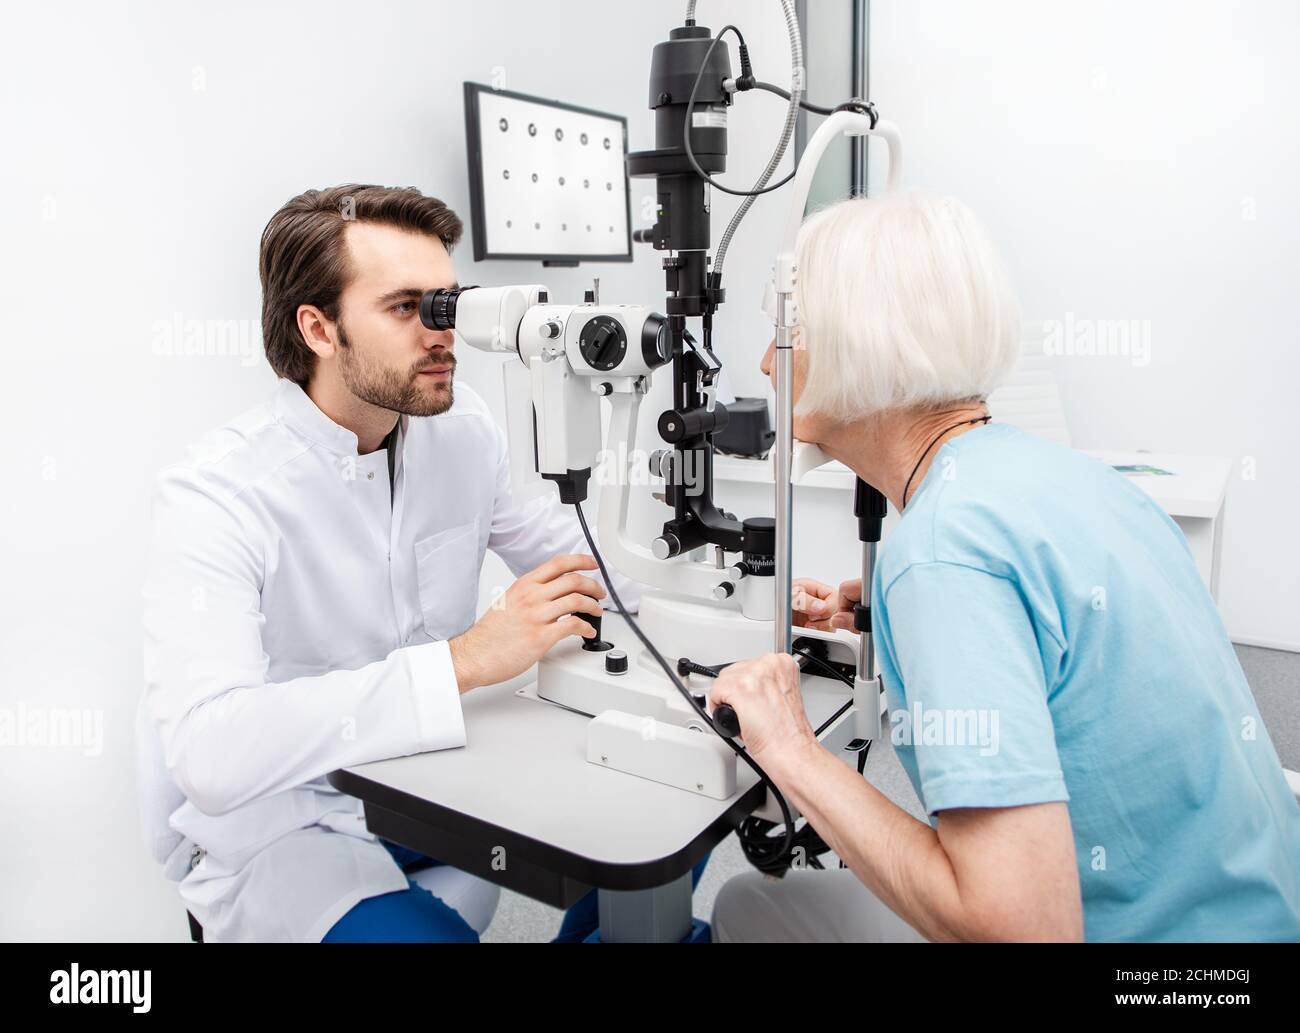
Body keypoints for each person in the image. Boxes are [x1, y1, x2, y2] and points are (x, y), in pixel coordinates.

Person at [708, 191, 1300, 942]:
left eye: (785, 332)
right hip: (1262, 917)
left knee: (748, 907)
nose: (768, 360)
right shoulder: (1072, 478)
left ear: (858, 343)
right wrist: (878, 609)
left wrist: (789, 746)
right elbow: (1074, 634)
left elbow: (1019, 928)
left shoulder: (942, 554)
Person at [140, 184, 653, 942]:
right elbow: (211, 750)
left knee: (652, 830)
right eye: (407, 308)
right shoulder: (217, 493)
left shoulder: (462, 431)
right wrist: (463, 660)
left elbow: (570, 558)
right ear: (318, 327)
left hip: (431, 783)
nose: (443, 333)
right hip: (292, 824)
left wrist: (700, 608)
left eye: (448, 304)